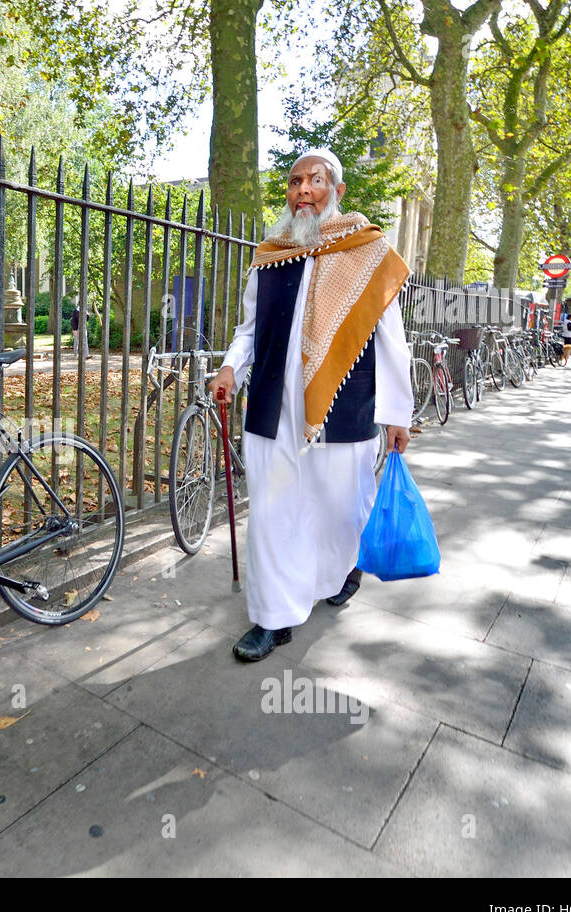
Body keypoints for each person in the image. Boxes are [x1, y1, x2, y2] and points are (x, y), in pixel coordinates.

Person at [209, 147, 413, 662]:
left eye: (315, 181)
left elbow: (391, 337)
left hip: (345, 405)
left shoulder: (368, 253)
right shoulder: (271, 255)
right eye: (295, 181)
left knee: (340, 508)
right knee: (275, 513)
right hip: (275, 408)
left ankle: (345, 567)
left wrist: (397, 413)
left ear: (337, 192)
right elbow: (250, 330)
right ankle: (272, 617)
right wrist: (232, 365)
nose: (303, 190)